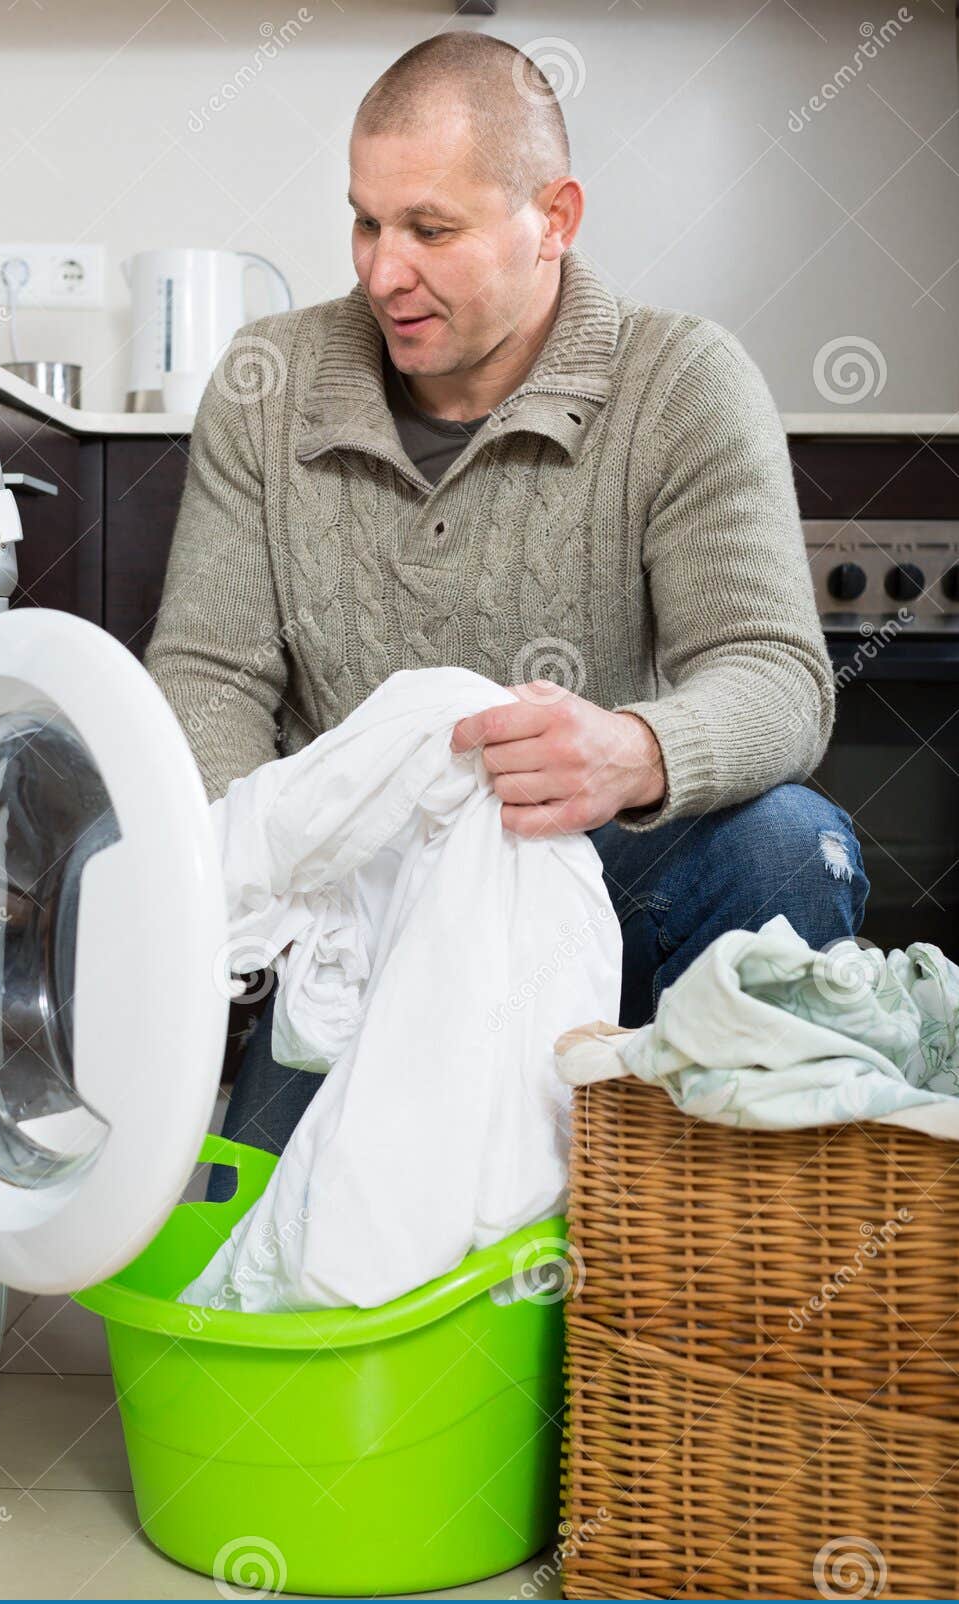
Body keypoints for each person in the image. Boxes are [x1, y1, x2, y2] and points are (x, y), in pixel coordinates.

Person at [144, 32, 868, 1182]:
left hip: (592, 884)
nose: (384, 271)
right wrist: (281, 882)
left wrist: (636, 749)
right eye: (366, 222)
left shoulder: (682, 381)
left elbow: (774, 671)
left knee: (792, 846)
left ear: (555, 218)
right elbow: (208, 674)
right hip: (355, 927)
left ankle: (674, 1205)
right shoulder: (267, 383)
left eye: (431, 229)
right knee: (279, 1273)